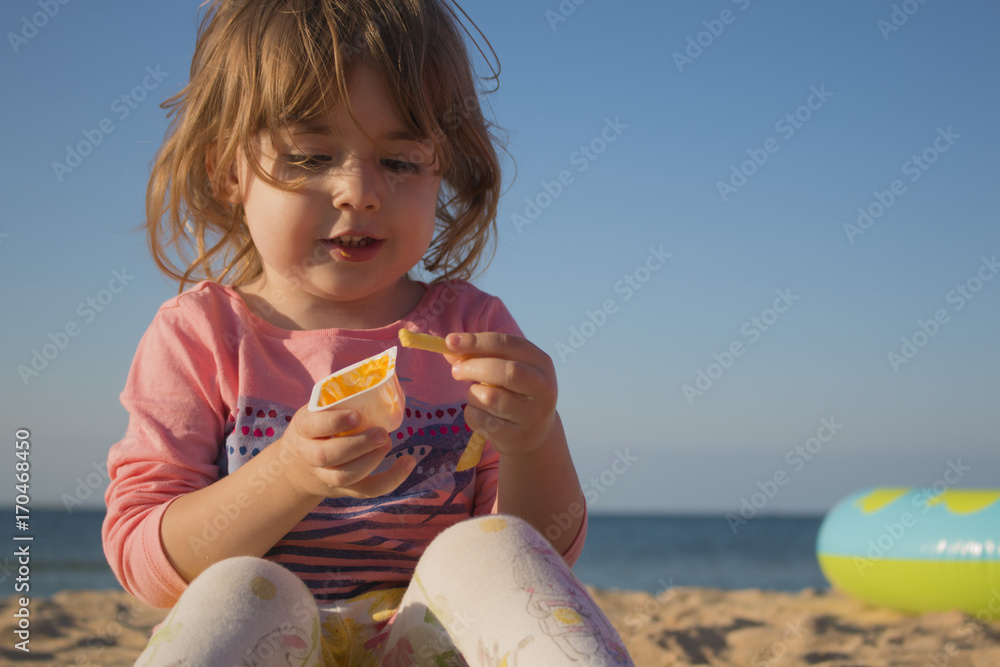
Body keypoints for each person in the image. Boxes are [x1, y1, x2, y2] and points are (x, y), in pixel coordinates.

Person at [102, 0, 634, 664]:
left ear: (441, 169)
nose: (360, 191)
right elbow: (146, 561)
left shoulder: (472, 329)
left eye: (402, 161)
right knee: (244, 584)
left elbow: (537, 557)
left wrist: (535, 435)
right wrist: (291, 472)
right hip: (271, 642)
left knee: (485, 547)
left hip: (426, 638)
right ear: (228, 171)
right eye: (310, 155)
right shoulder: (201, 337)